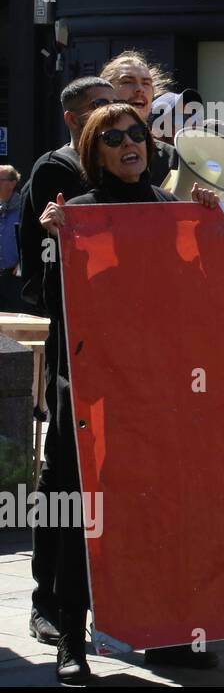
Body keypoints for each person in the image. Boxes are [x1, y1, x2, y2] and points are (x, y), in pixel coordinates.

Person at [37, 101, 221, 682]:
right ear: (94, 151)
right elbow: (52, 303)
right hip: (92, 388)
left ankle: (164, 631)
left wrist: (210, 227)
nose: (127, 144)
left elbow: (204, 295)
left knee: (162, 508)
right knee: (80, 506)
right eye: (112, 138)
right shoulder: (78, 214)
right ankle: (72, 636)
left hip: (161, 388)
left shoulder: (174, 211)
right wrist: (54, 244)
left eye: (135, 134)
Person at [20, 77, 115, 650]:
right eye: (102, 106)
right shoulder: (57, 170)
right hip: (77, 347)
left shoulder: (141, 170)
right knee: (65, 470)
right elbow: (39, 276)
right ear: (73, 120)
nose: (117, 114)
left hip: (132, 348)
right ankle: (49, 601)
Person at [99, 52, 180, 187]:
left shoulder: (170, 156)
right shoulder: (88, 150)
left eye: (146, 83)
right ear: (106, 90)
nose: (140, 90)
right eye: (128, 82)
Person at [0, 165, 23, 311]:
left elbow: (31, 239)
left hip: (14, 277)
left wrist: (22, 262)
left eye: (0, 180)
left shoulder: (23, 207)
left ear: (13, 183)